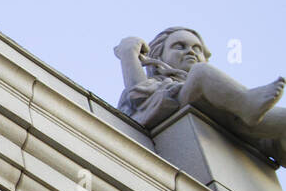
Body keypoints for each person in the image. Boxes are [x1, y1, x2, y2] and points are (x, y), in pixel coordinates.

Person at [115, 26, 286, 166]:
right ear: (159, 56)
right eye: (180, 46)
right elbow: (137, 93)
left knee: (273, 132)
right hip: (173, 104)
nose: (190, 51)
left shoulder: (221, 90)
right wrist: (129, 54)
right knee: (201, 74)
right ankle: (248, 105)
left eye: (197, 49)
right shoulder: (159, 82)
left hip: (231, 120)